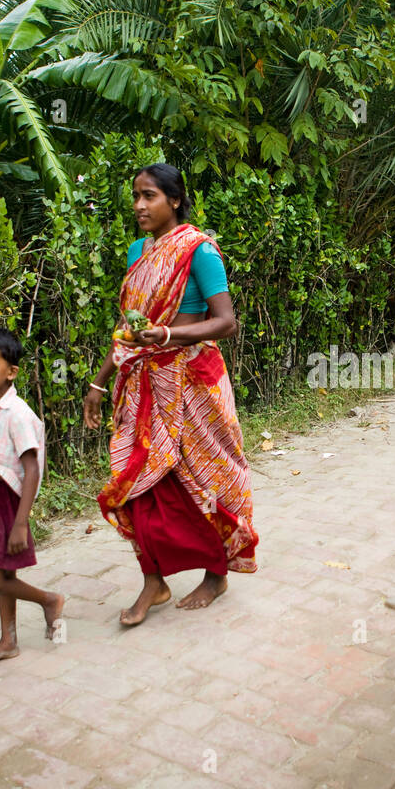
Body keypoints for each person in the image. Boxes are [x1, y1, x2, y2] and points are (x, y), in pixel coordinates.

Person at [83, 163, 258, 625]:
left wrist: (166, 335)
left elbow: (227, 321)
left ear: (174, 200)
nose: (139, 205)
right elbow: (128, 326)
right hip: (143, 380)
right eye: (136, 196)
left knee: (205, 478)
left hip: (194, 379)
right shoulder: (137, 252)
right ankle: (153, 582)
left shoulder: (199, 250)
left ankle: (216, 573)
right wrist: (99, 382)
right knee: (140, 479)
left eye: (149, 196)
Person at [0, 327, 64, 669]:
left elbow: (32, 470)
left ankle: (49, 600)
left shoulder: (17, 414)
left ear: (11, 372)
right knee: (3, 575)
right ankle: (8, 641)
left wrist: (21, 522)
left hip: (9, 502)